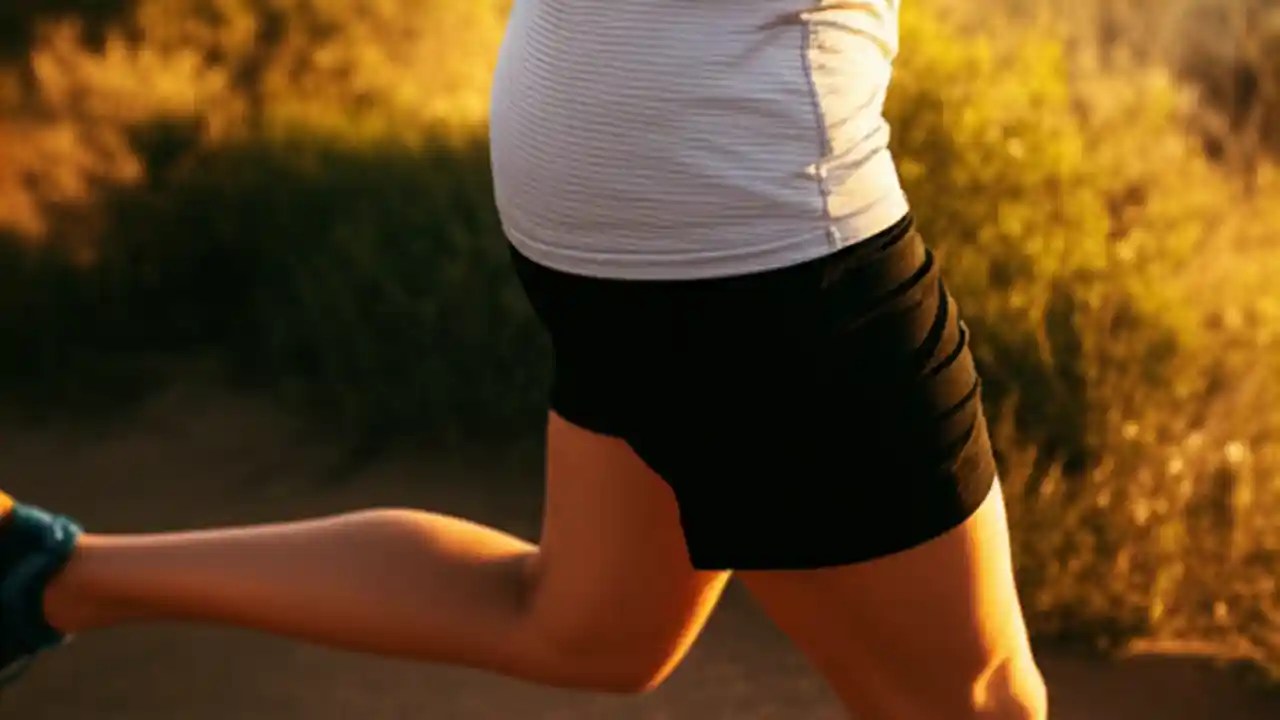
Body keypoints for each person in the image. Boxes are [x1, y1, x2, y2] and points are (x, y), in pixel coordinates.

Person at [0, 1, 1049, 717]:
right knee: (980, 702)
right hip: (746, 200)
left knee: (590, 626)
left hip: (595, 163)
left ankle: (43, 577)